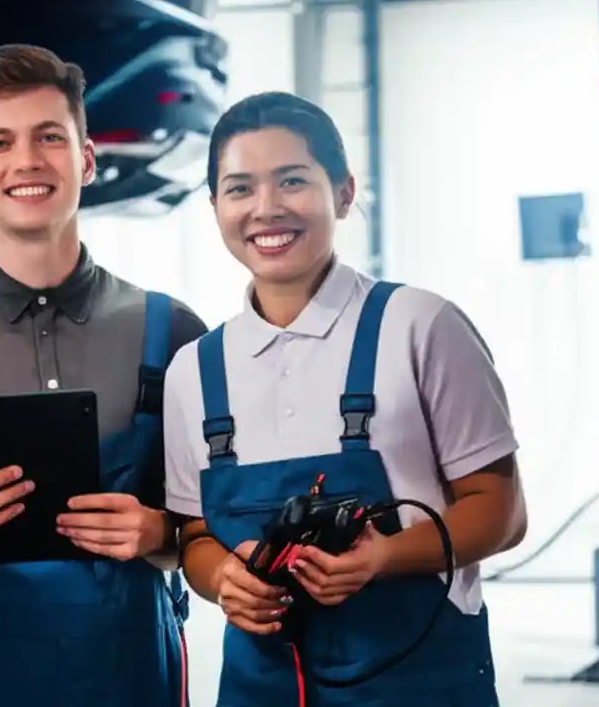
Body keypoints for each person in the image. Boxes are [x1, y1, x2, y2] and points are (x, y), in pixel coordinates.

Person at [0, 44, 206, 707]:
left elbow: (208, 536)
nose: (26, 161)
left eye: (49, 137)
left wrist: (160, 534)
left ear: (85, 156)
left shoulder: (175, 334)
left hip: (131, 675)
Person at [164, 91, 529, 706]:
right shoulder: (194, 371)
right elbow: (196, 535)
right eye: (240, 188)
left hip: (417, 680)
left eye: (292, 181)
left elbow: (501, 511)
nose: (266, 209)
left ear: (344, 191)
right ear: (215, 207)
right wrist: (223, 580)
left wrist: (382, 557)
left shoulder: (421, 325)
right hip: (261, 686)